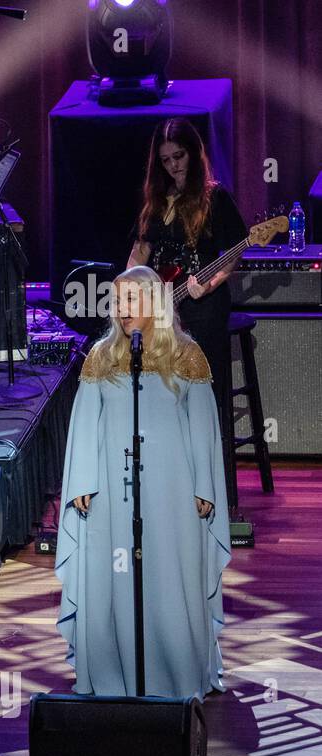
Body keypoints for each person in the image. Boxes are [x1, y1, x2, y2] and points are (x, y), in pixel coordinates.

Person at [55, 266, 231, 699]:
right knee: (116, 576)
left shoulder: (187, 355)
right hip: (113, 495)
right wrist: (82, 481)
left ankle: (175, 675)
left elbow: (203, 426)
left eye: (131, 300)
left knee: (170, 577)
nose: (122, 309)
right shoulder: (102, 356)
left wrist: (204, 487)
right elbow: (85, 424)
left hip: (173, 492)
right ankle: (116, 676)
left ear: (155, 302)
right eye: (117, 301)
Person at [127, 118, 246, 498]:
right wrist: (130, 287)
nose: (174, 165)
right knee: (160, 395)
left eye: (179, 156)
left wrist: (207, 285)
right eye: (165, 160)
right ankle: (170, 488)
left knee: (202, 395)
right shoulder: (156, 203)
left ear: (193, 155)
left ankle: (213, 491)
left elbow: (232, 256)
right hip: (162, 310)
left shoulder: (214, 197)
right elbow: (140, 251)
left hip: (202, 307)